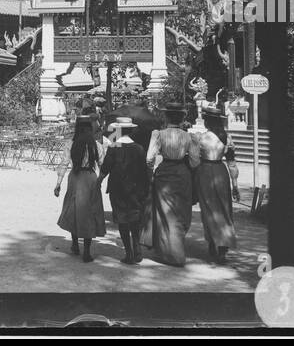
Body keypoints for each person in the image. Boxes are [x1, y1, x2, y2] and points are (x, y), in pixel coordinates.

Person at [142, 103, 199, 266]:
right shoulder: (189, 137)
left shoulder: (159, 134)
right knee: (181, 212)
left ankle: (167, 250)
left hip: (165, 172)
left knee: (165, 213)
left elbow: (149, 158)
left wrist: (150, 171)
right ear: (182, 118)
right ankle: (176, 248)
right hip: (183, 174)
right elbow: (195, 162)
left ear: (166, 117)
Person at [54, 115, 106, 262]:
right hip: (90, 178)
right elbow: (103, 164)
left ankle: (75, 245)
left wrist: (58, 183)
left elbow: (64, 163)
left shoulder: (70, 144)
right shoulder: (96, 145)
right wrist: (100, 180)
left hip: (75, 178)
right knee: (90, 211)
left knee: (74, 210)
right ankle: (87, 251)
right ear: (90, 128)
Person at [99, 117, 149, 264]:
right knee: (135, 218)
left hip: (118, 188)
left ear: (118, 130)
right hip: (136, 188)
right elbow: (144, 170)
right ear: (131, 130)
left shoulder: (115, 147)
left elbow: (105, 168)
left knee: (122, 220)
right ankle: (137, 249)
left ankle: (129, 254)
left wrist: (99, 181)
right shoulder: (139, 148)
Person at [190, 105, 238, 263]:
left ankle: (212, 242)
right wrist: (235, 185)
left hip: (204, 172)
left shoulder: (200, 138)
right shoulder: (227, 138)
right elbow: (232, 163)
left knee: (208, 209)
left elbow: (194, 160)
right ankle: (223, 248)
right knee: (224, 209)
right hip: (221, 172)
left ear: (207, 121)